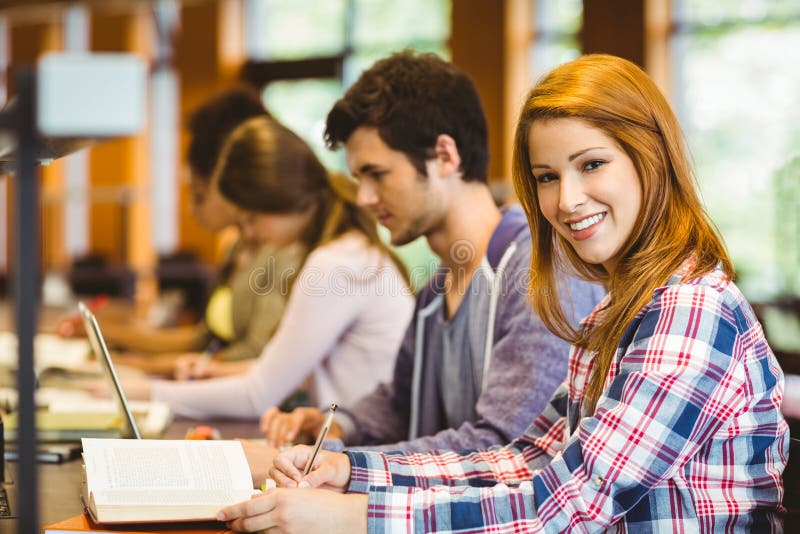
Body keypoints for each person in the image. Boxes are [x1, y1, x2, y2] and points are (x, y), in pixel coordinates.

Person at [218, 54, 789, 532]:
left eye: (592, 164)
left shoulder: (689, 309)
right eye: (546, 177)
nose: (566, 200)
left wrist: (356, 516)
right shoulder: (616, 312)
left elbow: (569, 506)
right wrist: (350, 472)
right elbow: (527, 458)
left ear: (652, 159)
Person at [255, 51, 603, 464]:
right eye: (358, 179)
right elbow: (400, 405)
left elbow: (506, 447)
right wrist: (338, 425)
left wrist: (340, 462)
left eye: (376, 174)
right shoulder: (437, 288)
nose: (364, 197)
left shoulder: (541, 271)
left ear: (444, 156)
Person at [123, 114, 414, 421]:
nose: (249, 234)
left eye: (251, 219)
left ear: (282, 200)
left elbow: (258, 396)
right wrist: (218, 371)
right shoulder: (346, 250)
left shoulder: (335, 263)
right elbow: (286, 370)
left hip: (361, 438)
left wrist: (142, 393)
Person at [68, 88, 296, 376]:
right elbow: (205, 339)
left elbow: (252, 356)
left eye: (199, 194)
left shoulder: (281, 251)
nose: (191, 208)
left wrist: (135, 366)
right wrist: (107, 334)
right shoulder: (238, 248)